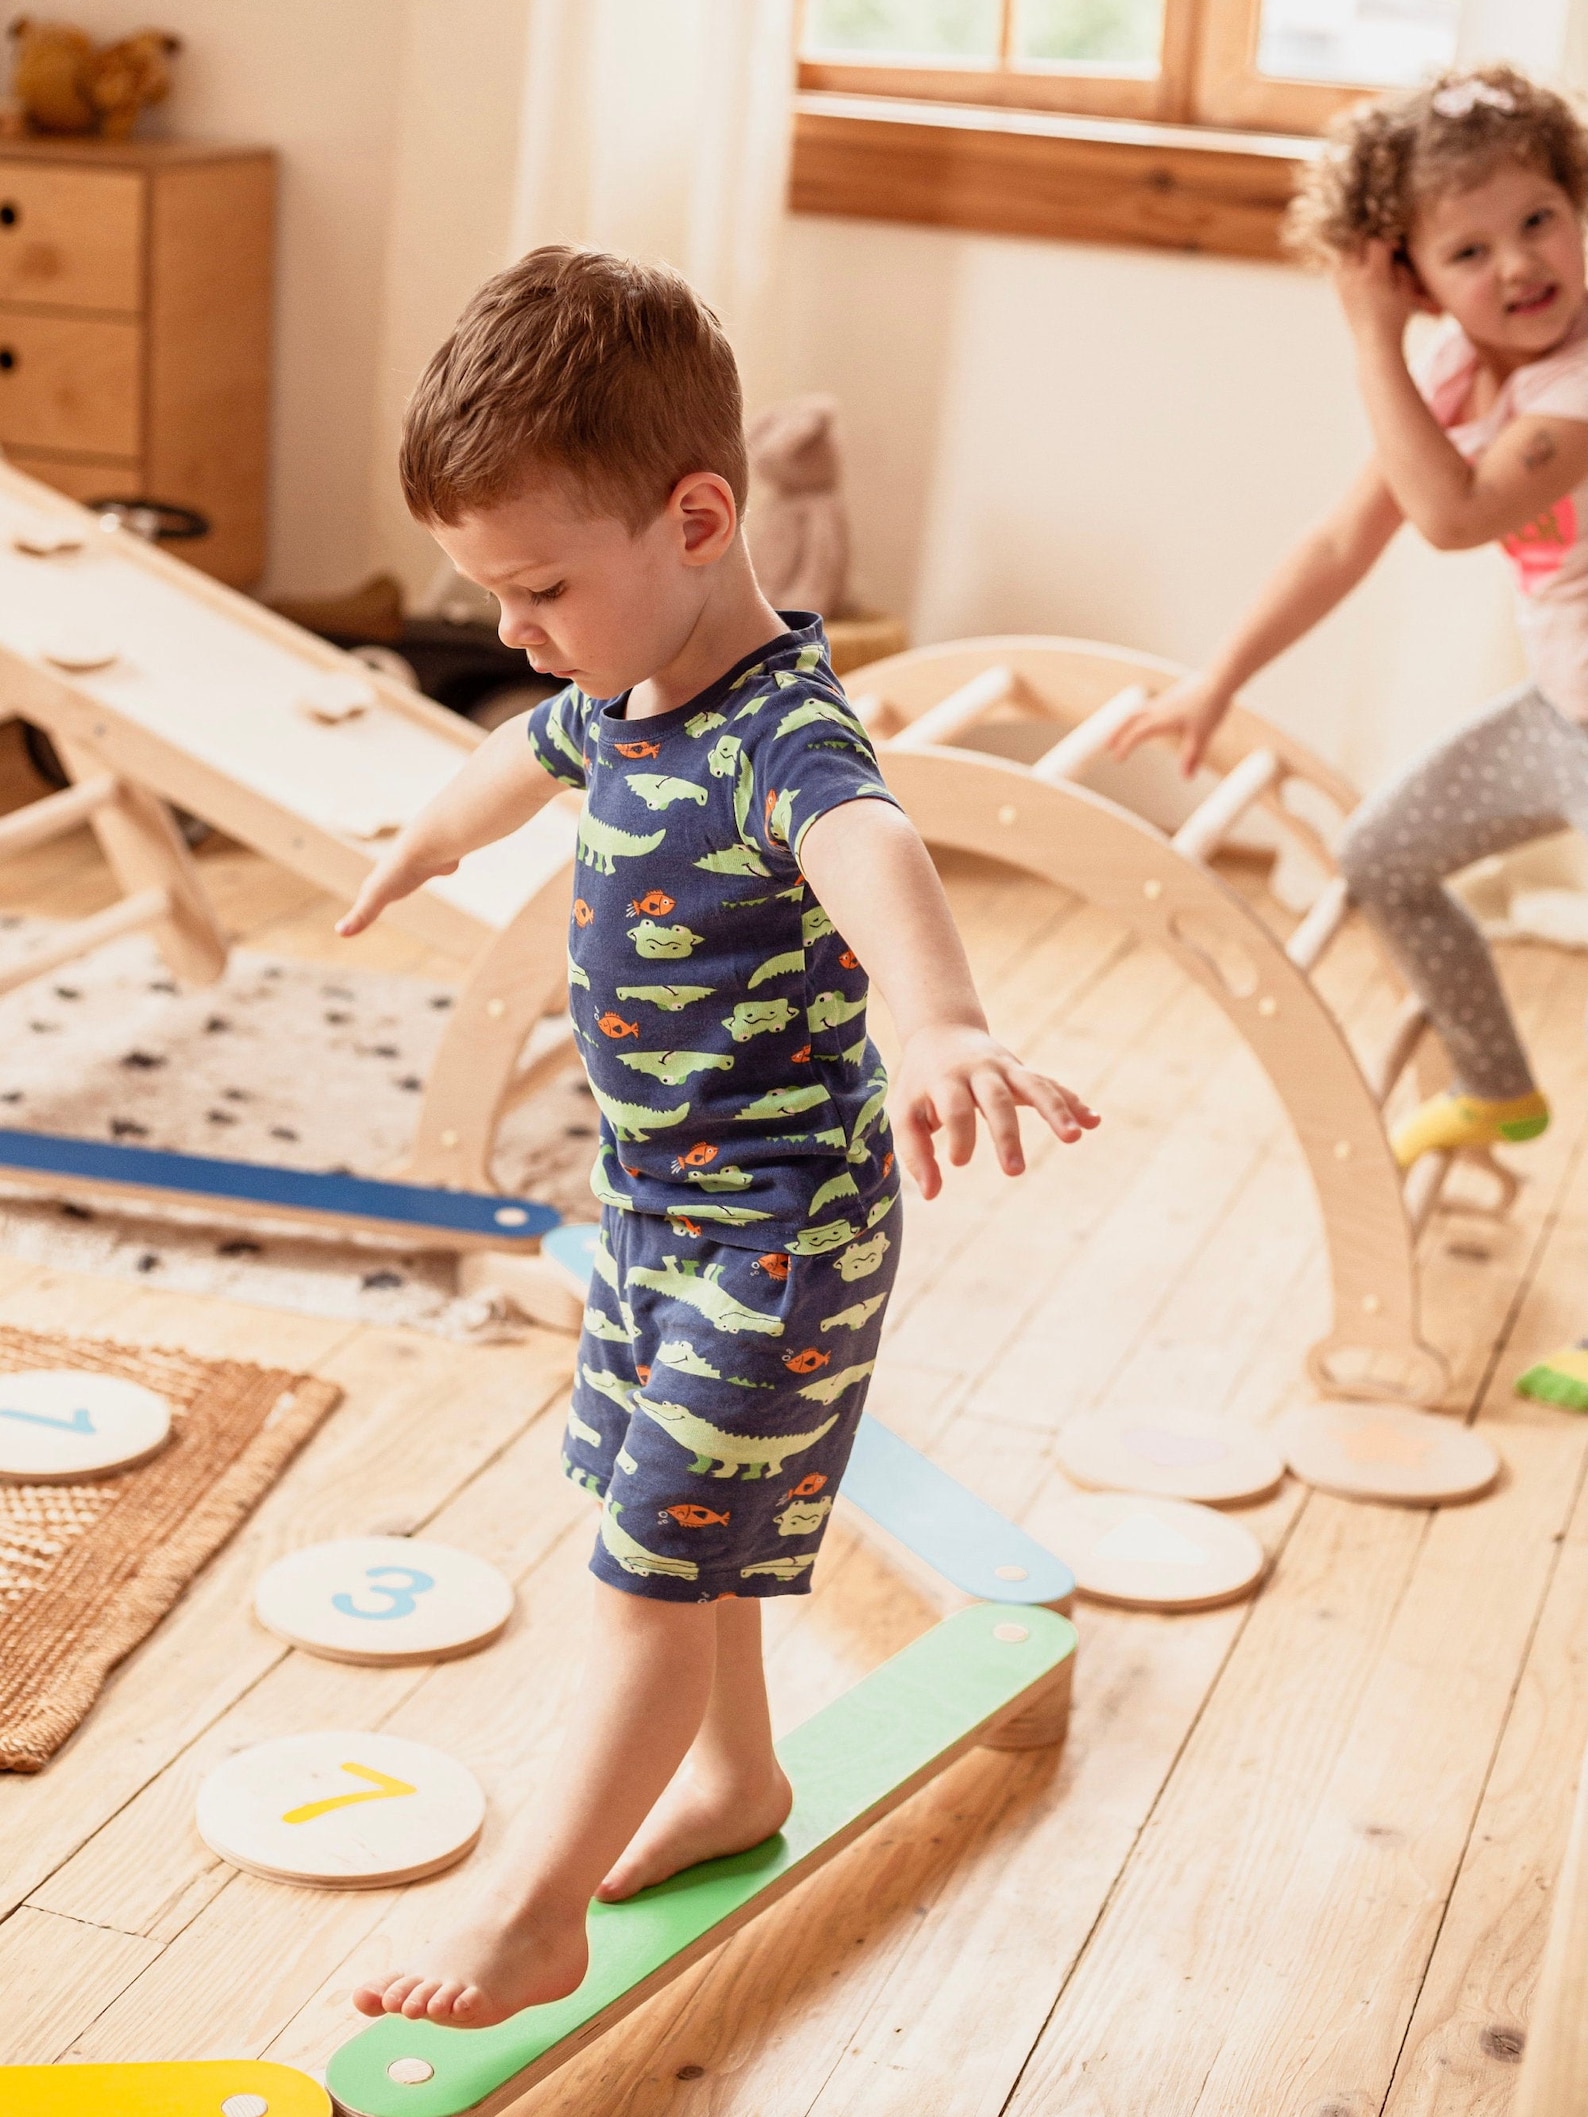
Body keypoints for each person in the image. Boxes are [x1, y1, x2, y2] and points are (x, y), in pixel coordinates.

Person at [336, 245, 1099, 2028]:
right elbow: (521, 751)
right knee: (678, 1524)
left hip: (780, 1240)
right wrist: (425, 836)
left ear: (696, 520)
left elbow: (872, 846)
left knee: (647, 1579)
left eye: (539, 588)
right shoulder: (620, 687)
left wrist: (941, 1021)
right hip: (651, 1214)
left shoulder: (782, 732)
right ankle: (735, 1776)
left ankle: (532, 1906)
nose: (515, 630)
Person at [1111, 64, 1587, 1409]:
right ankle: (1496, 1086)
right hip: (1566, 716)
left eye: (1540, 220)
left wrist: (1367, 337)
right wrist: (1215, 681)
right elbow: (1342, 539)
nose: (1519, 264)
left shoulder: (1576, 376)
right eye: (1469, 250)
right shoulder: (1458, 367)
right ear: (1414, 271)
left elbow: (1450, 517)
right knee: (1382, 852)